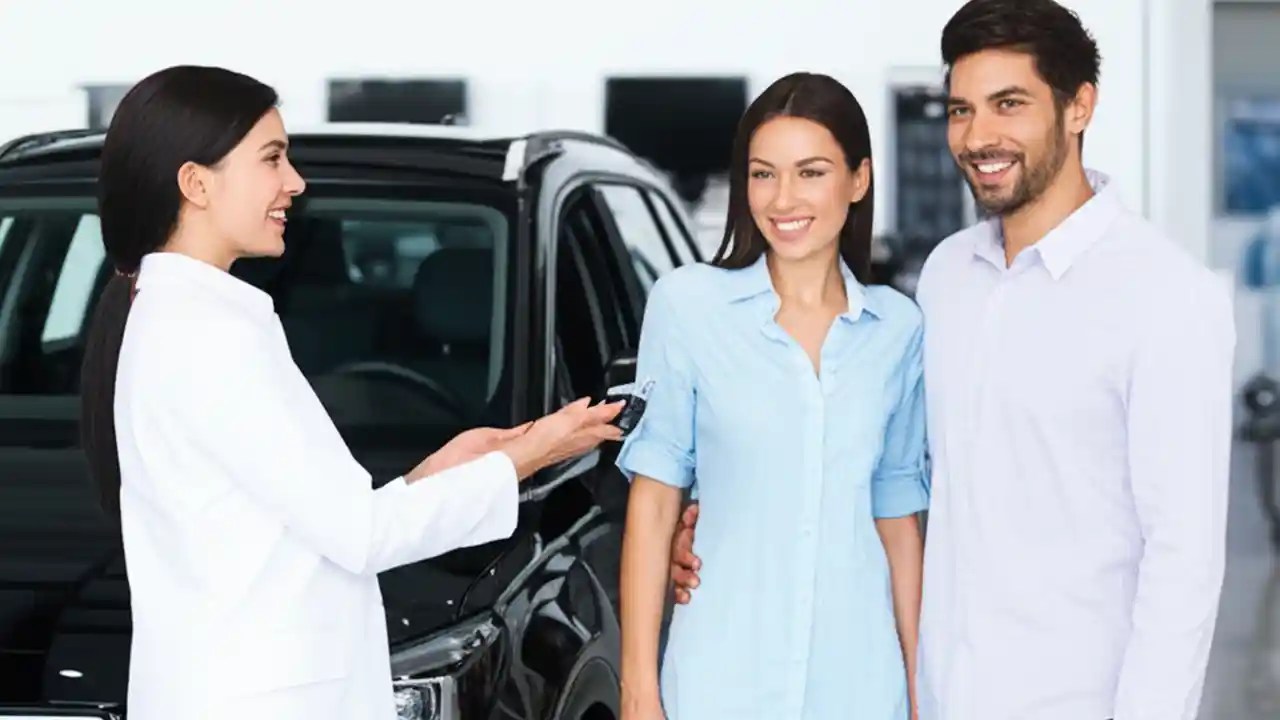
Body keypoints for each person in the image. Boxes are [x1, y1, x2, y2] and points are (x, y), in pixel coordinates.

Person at [669, 2, 1237, 719]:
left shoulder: (1164, 295)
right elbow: (890, 471)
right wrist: (714, 519)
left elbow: (1184, 560)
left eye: (1010, 104)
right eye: (962, 109)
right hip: (934, 693)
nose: (978, 136)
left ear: (1079, 106)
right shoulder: (945, 277)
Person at [78, 65, 623, 720]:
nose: (294, 182)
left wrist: (438, 473)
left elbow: (303, 520)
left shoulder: (175, 318)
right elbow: (361, 536)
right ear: (196, 183)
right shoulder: (208, 337)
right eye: (271, 158)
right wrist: (526, 455)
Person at [618, 72, 930, 720]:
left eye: (811, 172)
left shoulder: (899, 329)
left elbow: (897, 520)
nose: (783, 198)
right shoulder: (688, 308)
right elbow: (653, 506)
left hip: (861, 687)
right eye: (763, 174)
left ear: (859, 179)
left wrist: (921, 691)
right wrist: (638, 691)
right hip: (719, 683)